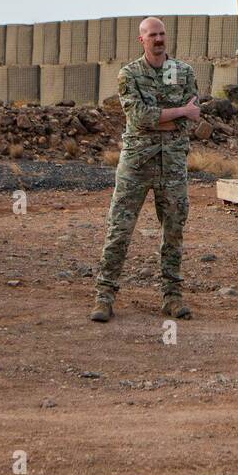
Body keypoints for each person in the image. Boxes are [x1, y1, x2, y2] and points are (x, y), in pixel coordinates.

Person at [91, 16, 200, 322]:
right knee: (120, 229)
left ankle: (172, 296)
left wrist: (166, 116)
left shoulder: (183, 72)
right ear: (142, 40)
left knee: (174, 230)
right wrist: (178, 112)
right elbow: (140, 118)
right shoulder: (129, 75)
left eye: (162, 33)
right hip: (137, 163)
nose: (159, 39)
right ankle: (104, 296)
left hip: (173, 165)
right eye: (152, 34)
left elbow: (192, 115)